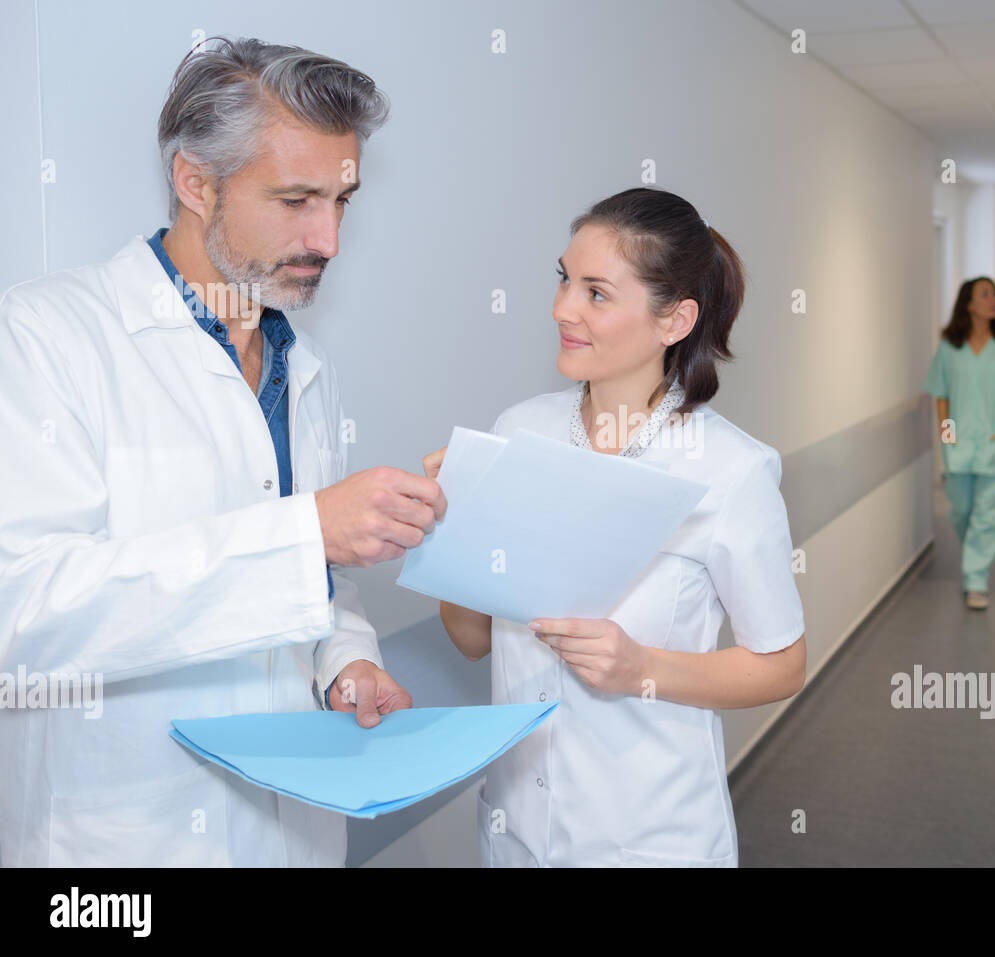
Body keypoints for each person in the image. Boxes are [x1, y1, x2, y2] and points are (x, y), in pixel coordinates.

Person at [0, 38, 446, 867]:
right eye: (297, 199)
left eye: (342, 201)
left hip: (294, 829)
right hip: (125, 845)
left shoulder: (302, 367)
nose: (330, 239)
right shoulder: (42, 338)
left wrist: (347, 657)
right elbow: (21, 614)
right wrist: (306, 531)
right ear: (195, 182)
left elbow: (315, 584)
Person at [432, 187, 806, 866]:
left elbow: (781, 665)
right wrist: (455, 529)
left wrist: (642, 669)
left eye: (596, 293)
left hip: (648, 835)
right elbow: (472, 640)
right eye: (563, 279)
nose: (562, 309)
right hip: (515, 827)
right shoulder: (520, 431)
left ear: (675, 320)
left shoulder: (731, 470)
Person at [923, 277, 995, 609]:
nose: (992, 300)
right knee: (962, 512)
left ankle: (976, 580)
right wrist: (947, 433)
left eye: (994, 295)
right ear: (968, 304)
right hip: (959, 444)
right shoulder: (949, 347)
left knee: (987, 515)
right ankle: (976, 556)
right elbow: (940, 394)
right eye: (985, 294)